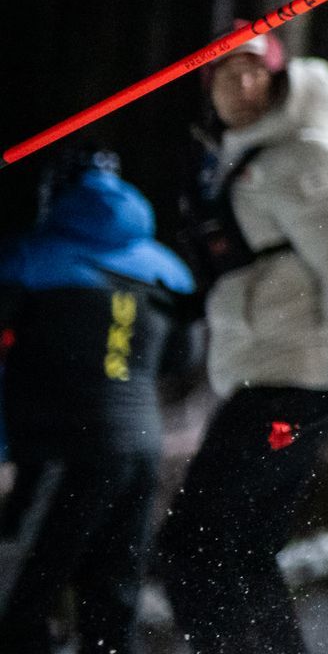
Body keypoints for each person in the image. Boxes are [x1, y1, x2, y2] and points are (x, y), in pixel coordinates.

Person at [158, 33, 328, 654]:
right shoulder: (248, 158)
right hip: (265, 373)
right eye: (223, 75)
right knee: (243, 554)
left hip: (291, 377)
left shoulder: (303, 154)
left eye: (253, 70)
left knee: (193, 550)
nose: (240, 84)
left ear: (277, 76)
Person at [0, 151, 195, 654]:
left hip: (62, 450)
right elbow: (183, 357)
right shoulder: (166, 268)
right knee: (112, 603)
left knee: (17, 596)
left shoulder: (30, 257)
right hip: (140, 449)